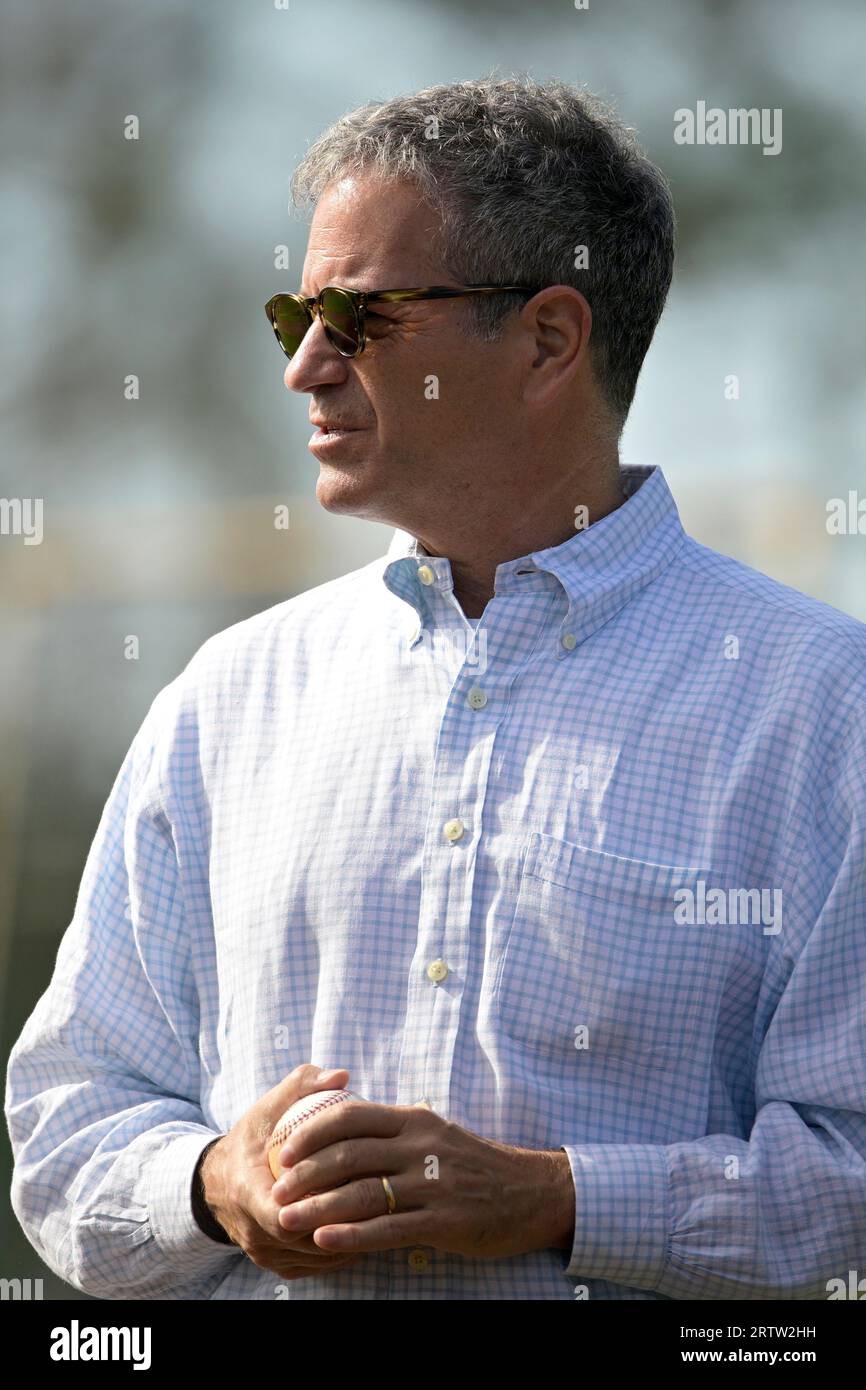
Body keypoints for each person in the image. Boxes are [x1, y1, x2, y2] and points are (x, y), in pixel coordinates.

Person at [7, 75, 866, 1302]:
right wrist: (210, 1182)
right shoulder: (225, 702)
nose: (305, 367)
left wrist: (554, 1199)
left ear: (548, 337)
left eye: (356, 320)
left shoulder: (823, 709)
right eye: (291, 317)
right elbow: (65, 1122)